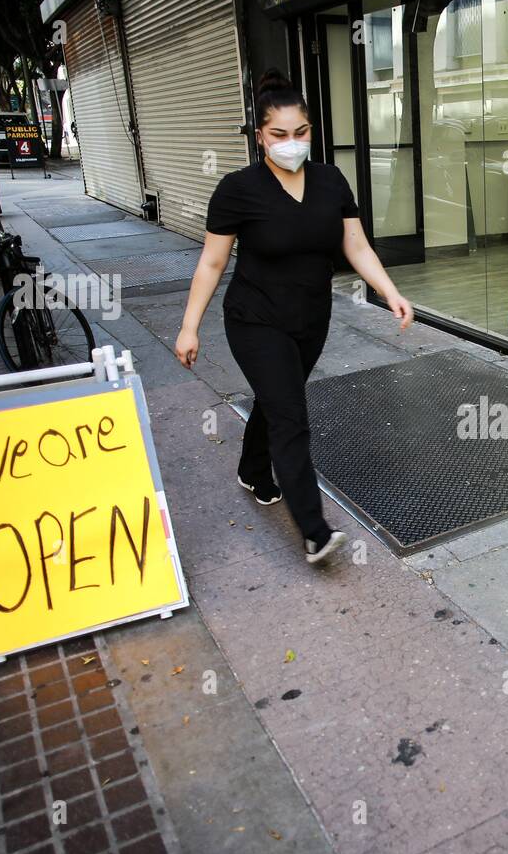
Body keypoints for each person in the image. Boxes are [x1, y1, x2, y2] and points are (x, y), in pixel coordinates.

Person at [175, 69, 414, 566]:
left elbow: (355, 244)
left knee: (276, 399)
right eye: (279, 134)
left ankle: (253, 468)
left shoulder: (330, 180)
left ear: (311, 130)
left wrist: (389, 291)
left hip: (311, 318)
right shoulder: (238, 189)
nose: (291, 143)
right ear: (260, 134)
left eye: (300, 132)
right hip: (255, 318)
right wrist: (189, 326)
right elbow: (212, 262)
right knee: (291, 415)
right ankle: (314, 529)